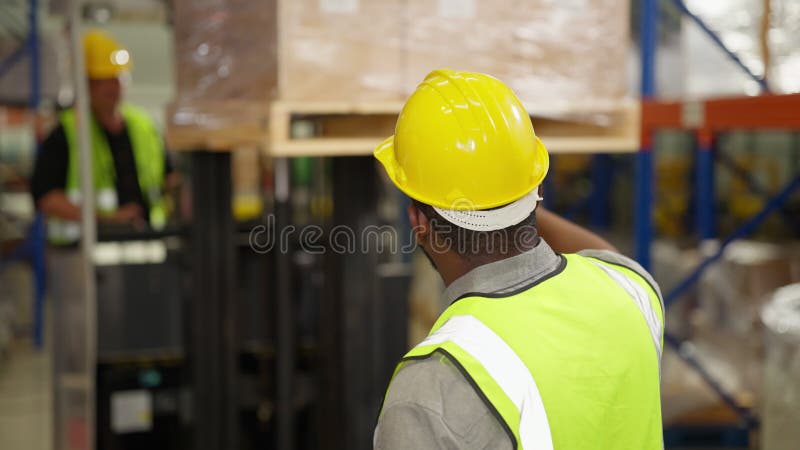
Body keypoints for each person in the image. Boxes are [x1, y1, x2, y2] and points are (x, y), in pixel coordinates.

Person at [373, 70, 664, 449]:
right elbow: (603, 254)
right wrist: (505, 191)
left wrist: (490, 196)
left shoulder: (431, 390)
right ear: (538, 187)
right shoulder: (631, 292)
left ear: (417, 222)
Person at [31, 29, 174, 244]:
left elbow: (170, 179)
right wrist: (107, 219)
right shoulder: (67, 131)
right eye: (103, 80)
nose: (113, 87)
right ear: (86, 84)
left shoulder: (145, 126)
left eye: (117, 78)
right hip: (85, 250)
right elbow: (47, 198)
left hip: (149, 243)